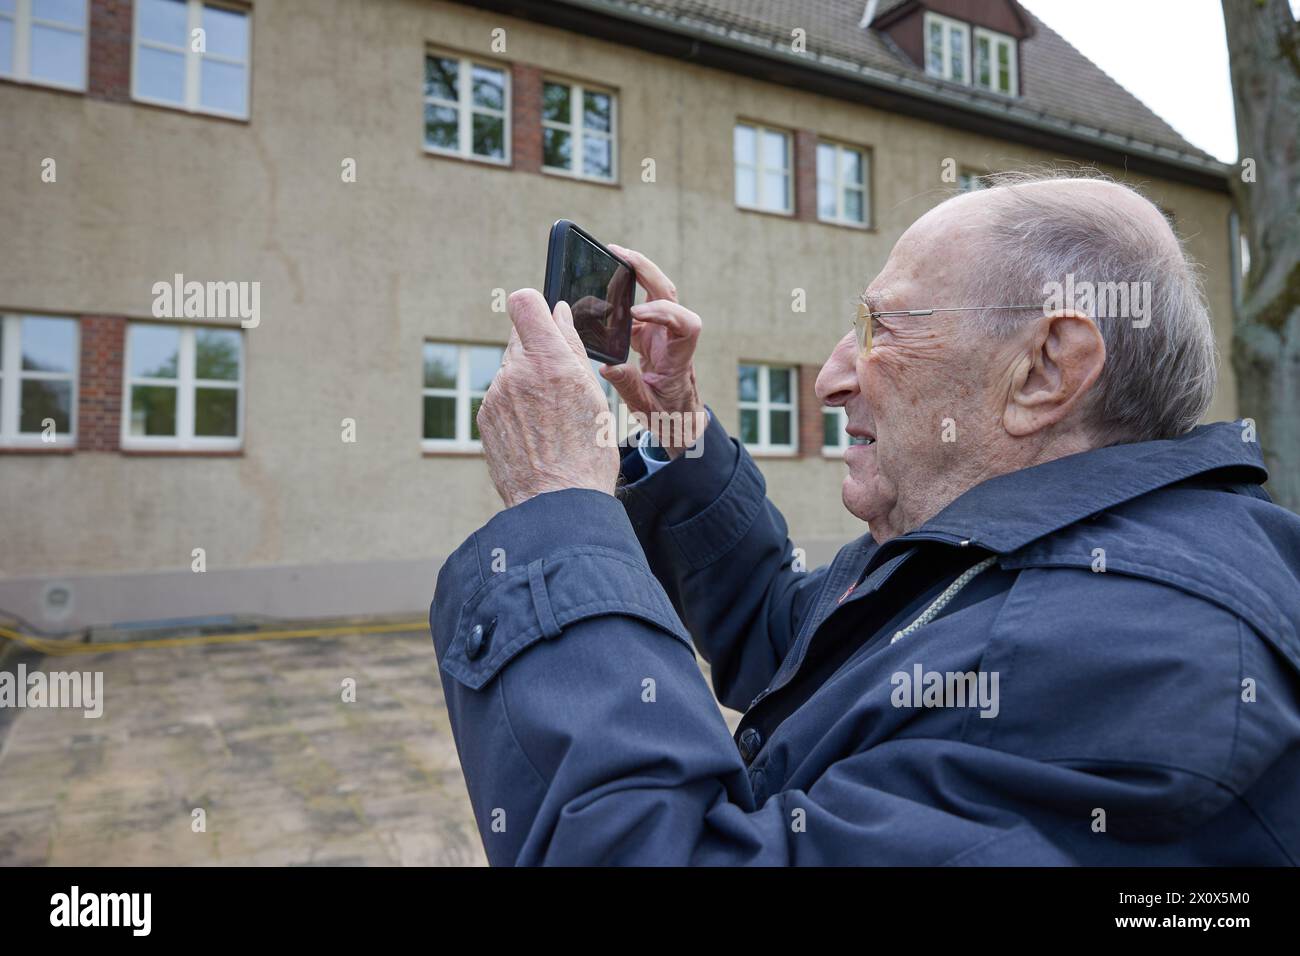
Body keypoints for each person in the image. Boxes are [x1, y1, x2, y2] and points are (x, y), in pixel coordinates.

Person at [429, 174, 1300, 865]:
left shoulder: (1141, 661)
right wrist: (673, 419)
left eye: (881, 326)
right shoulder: (997, 553)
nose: (832, 377)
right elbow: (792, 637)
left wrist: (558, 506)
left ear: (1044, 371)